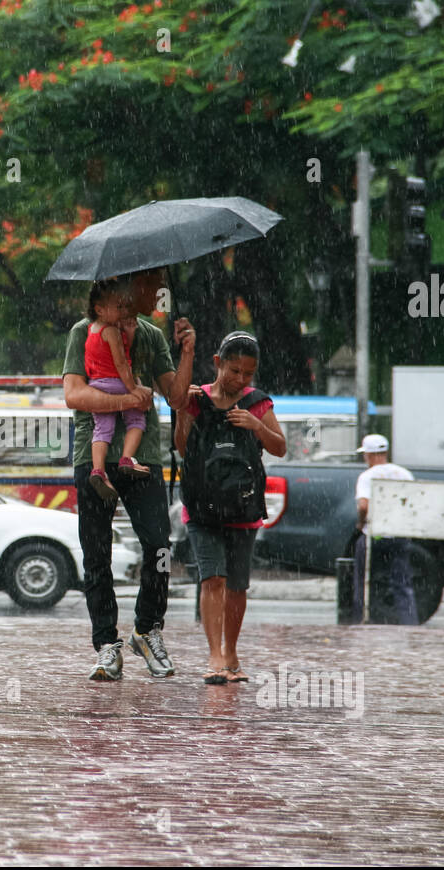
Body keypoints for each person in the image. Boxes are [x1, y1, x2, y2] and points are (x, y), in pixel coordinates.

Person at [62, 267, 195, 681]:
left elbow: (176, 397)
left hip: (143, 458)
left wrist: (187, 351)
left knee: (158, 544)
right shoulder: (84, 331)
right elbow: (73, 394)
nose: (145, 294)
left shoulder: (153, 336)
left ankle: (147, 629)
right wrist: (127, 400)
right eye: (139, 288)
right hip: (94, 455)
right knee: (96, 552)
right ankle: (106, 645)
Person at [175, 332, 286, 684]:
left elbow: (280, 448)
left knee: (237, 585)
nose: (240, 380)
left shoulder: (258, 404)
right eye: (234, 371)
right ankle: (214, 656)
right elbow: (181, 447)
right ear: (218, 363)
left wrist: (256, 425)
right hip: (201, 507)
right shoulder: (196, 399)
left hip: (242, 506)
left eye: (248, 374)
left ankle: (232, 654)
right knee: (213, 579)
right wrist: (181, 411)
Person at [83, 278, 152, 502]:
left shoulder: (91, 330)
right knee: (137, 420)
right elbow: (122, 363)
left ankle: (98, 471)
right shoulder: (111, 331)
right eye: (118, 307)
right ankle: (127, 459)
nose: (123, 311)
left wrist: (128, 334)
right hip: (117, 382)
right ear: (99, 309)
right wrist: (133, 390)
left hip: (97, 385)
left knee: (102, 430)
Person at [353, 433, 417, 625]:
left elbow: (364, 506)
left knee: (363, 579)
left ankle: (361, 617)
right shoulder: (404, 473)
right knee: (402, 582)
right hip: (399, 534)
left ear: (369, 455)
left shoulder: (367, 476)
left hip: (376, 535)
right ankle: (409, 622)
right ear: (385, 452)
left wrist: (361, 523)